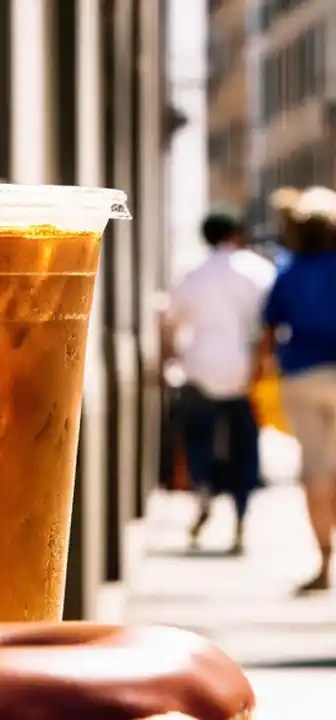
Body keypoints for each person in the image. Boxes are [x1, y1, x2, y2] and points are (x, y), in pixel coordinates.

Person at [163, 210, 277, 554]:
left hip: (201, 366)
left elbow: (172, 320)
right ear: (236, 234)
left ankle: (203, 490)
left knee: (199, 437)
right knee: (245, 444)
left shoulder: (191, 274)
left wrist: (171, 359)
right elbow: (270, 321)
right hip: (246, 370)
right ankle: (241, 514)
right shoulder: (258, 270)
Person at [262, 186, 336, 594]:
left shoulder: (288, 271)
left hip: (303, 376)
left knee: (315, 471)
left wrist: (261, 371)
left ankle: (324, 562)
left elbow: (270, 327)